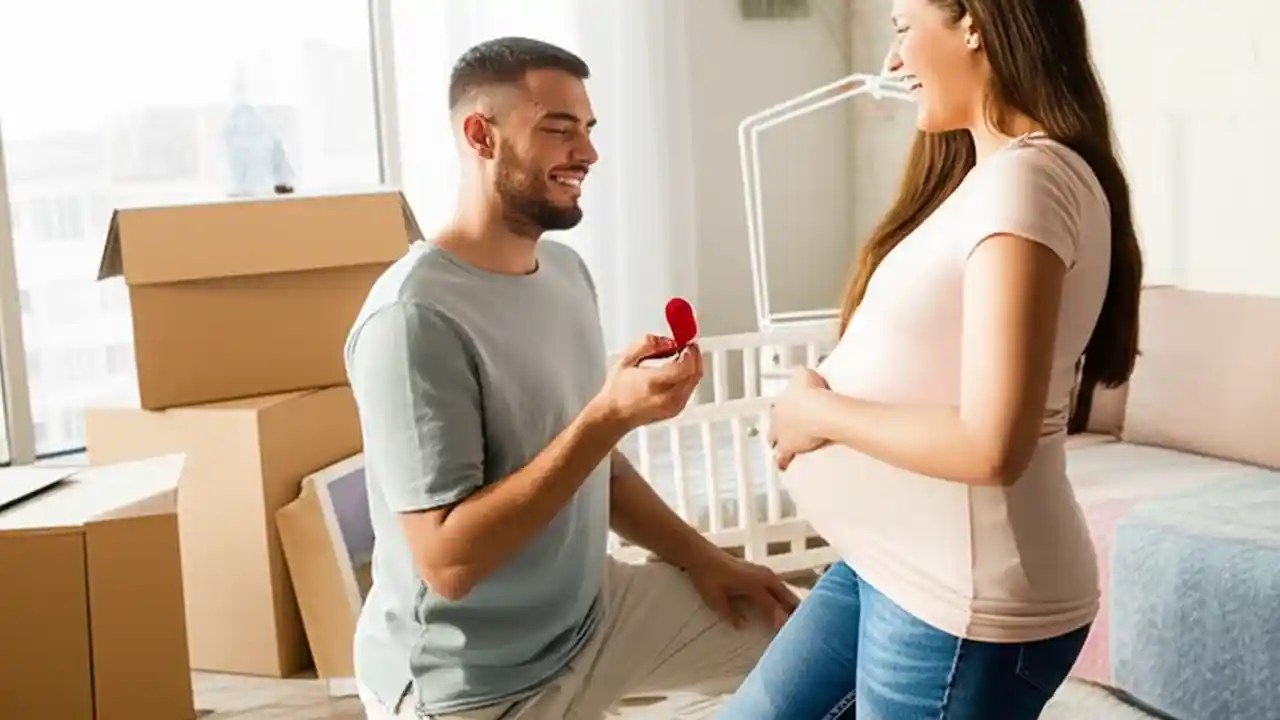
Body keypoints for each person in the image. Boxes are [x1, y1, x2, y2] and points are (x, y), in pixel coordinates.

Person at [347, 37, 799, 720]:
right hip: (473, 686)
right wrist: (606, 416)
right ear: (481, 136)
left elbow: (596, 467)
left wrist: (707, 560)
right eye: (559, 130)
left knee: (814, 644)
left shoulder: (565, 273)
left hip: (592, 616)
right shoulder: (412, 319)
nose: (588, 153)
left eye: (588, 129)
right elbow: (448, 563)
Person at [719, 0, 1143, 718]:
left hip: (958, 600)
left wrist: (818, 413)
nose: (891, 62)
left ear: (973, 22)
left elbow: (991, 445)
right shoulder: (991, 178)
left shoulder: (1029, 179)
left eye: (901, 29)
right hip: (891, 563)